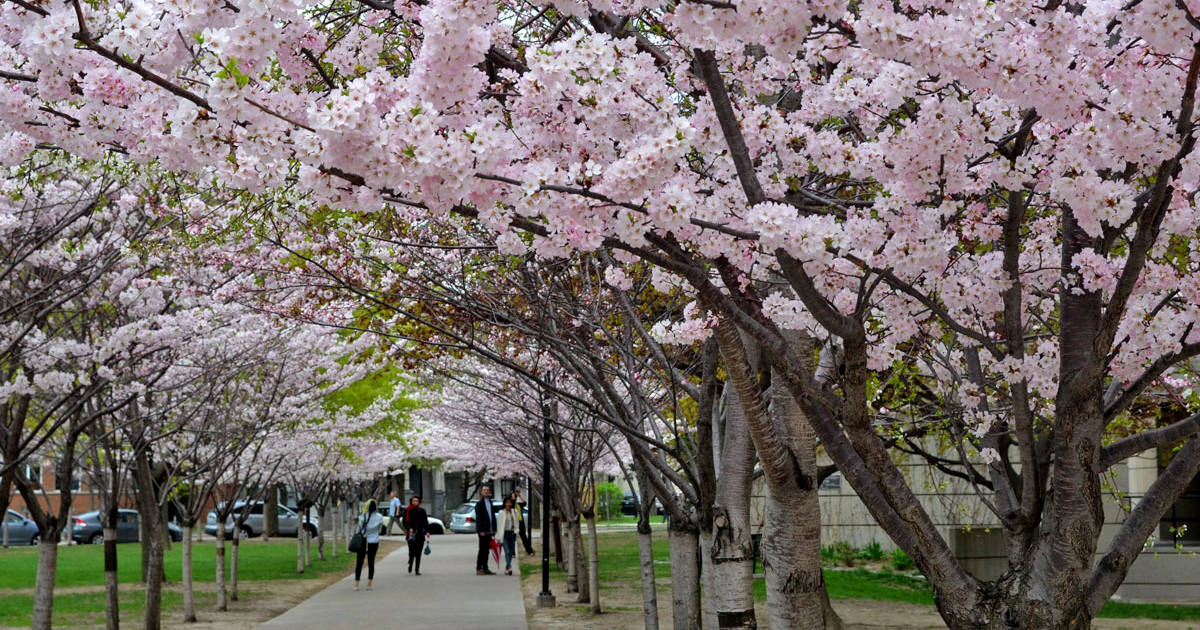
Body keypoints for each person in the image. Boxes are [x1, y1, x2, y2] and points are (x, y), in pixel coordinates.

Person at [354, 499, 384, 591]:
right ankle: (369, 584)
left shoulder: (362, 516)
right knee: (371, 562)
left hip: (363, 541)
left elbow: (358, 530)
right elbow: (380, 530)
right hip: (374, 541)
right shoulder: (380, 517)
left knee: (359, 562)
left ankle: (356, 585)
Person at [402, 494, 429, 575]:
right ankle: (410, 563)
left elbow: (425, 522)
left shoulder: (422, 511)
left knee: (418, 553)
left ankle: (417, 570)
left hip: (420, 534)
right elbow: (404, 522)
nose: (415, 502)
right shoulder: (407, 510)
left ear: (419, 502)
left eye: (416, 501)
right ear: (411, 501)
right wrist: (409, 528)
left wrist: (427, 531)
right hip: (411, 534)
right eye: (413, 501)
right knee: (412, 552)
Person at [495, 497, 520, 575]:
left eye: (510, 502)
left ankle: (507, 568)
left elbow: (517, 522)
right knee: (507, 551)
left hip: (512, 534)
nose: (508, 504)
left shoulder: (514, 512)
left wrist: (517, 532)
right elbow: (499, 525)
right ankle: (509, 567)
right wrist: (498, 536)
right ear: (504, 503)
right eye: (507, 502)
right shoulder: (501, 512)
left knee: (511, 552)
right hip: (504, 534)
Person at [474, 486, 496, 575]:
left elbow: (492, 516)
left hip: (489, 530)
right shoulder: (479, 503)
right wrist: (480, 530)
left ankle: (485, 568)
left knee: (487, 550)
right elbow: (478, 518)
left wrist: (494, 529)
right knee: (482, 549)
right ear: (482, 492)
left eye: (487, 490)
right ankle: (479, 568)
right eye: (484, 490)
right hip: (483, 531)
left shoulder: (490, 502)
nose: (486, 491)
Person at [511, 490, 534, 555]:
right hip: (514, 523)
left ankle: (529, 550)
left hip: (520, 522)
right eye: (514, 497)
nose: (515, 498)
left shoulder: (518, 505)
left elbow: (524, 503)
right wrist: (513, 498)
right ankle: (512, 552)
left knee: (524, 537)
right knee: (513, 538)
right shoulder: (511, 505)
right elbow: (512, 506)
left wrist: (519, 496)